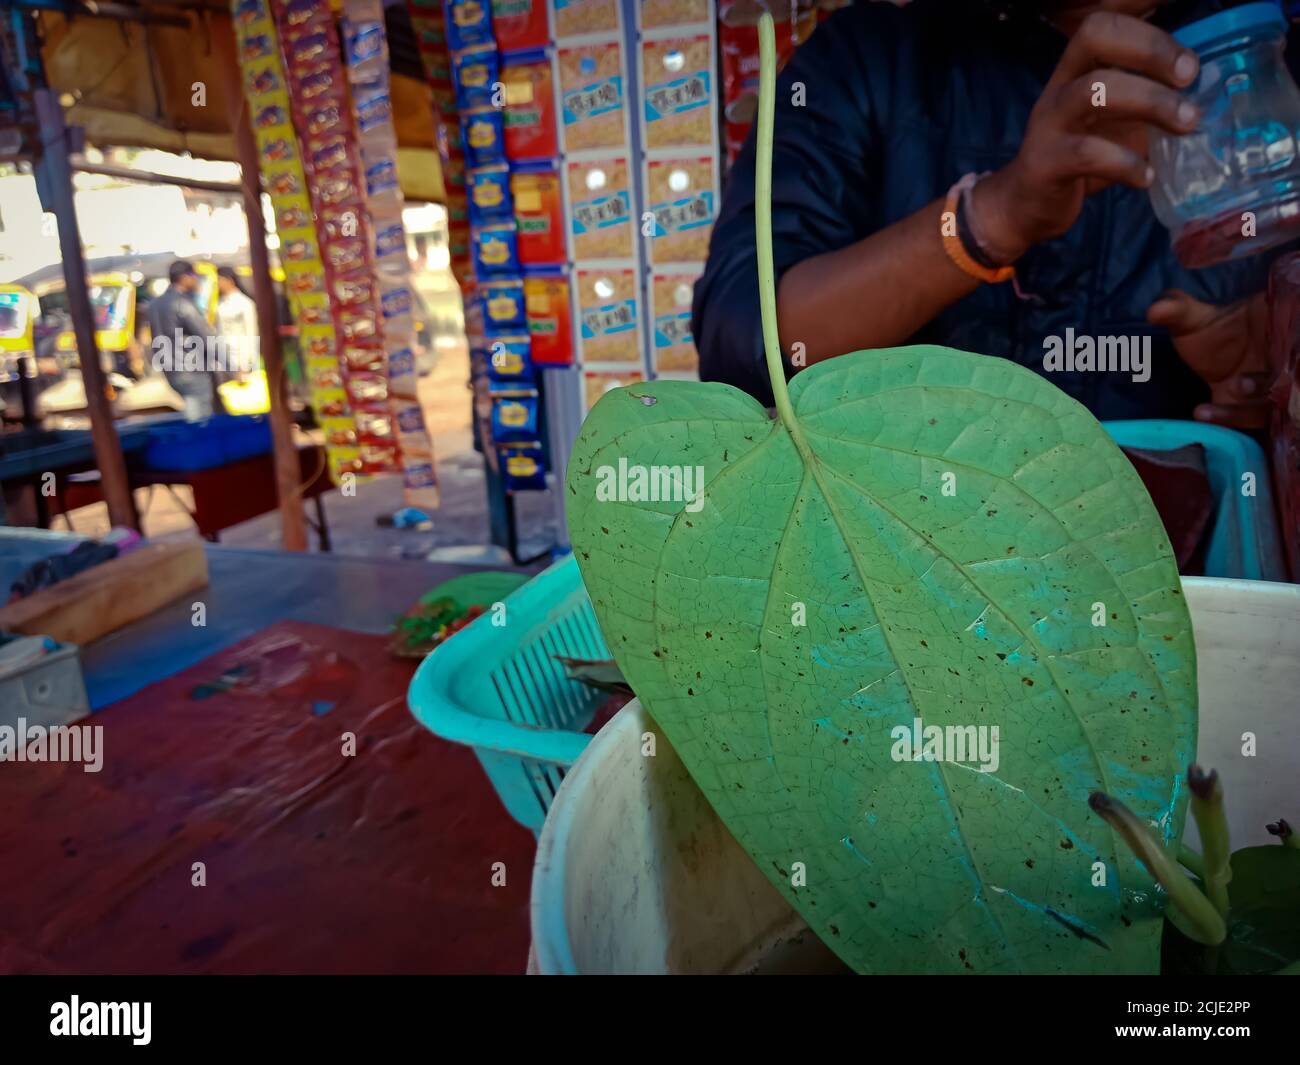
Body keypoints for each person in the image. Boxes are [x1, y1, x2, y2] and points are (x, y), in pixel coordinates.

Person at [693, 0, 1282, 429]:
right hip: (902, 564)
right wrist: (993, 217)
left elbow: (1257, 391)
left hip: (1182, 570)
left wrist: (1265, 384)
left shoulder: (1267, 66)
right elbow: (746, 345)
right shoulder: (872, 60)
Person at [147, 260, 222, 420]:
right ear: (184, 277)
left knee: (193, 411)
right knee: (199, 419)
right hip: (192, 369)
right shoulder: (183, 303)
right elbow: (205, 335)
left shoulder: (155, 304)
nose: (195, 280)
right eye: (194, 276)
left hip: (170, 370)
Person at [215, 266, 260, 378]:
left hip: (242, 358)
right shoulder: (219, 303)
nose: (218, 284)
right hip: (225, 357)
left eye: (219, 280)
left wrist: (247, 362)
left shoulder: (244, 303)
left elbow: (251, 333)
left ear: (229, 280)